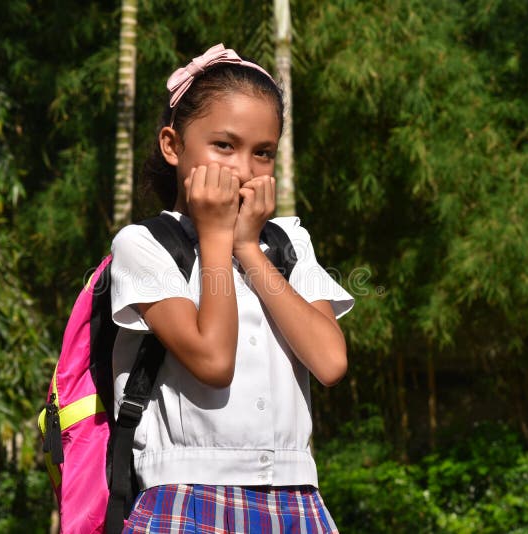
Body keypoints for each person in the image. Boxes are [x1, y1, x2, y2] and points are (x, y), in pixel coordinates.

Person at [110, 43, 354, 533]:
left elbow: (330, 362)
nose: (244, 169)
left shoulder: (288, 242)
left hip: (296, 496)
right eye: (224, 145)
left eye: (262, 153)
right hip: (186, 496)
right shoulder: (145, 244)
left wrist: (249, 249)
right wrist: (218, 238)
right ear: (173, 145)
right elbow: (213, 362)